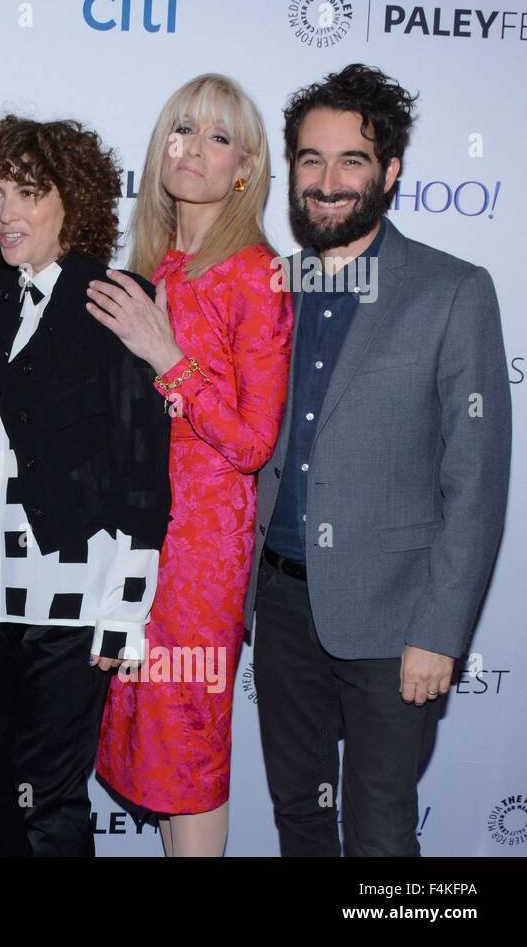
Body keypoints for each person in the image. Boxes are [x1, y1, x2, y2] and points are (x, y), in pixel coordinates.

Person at [246, 63, 510, 856]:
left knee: (381, 831)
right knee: (298, 815)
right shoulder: (269, 287)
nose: (327, 182)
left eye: (351, 161)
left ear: (390, 172)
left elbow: (477, 477)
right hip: (282, 606)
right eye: (310, 159)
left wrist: (440, 630)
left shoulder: (453, 290)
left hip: (396, 620)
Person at [88, 74, 293, 856]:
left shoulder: (255, 272)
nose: (193, 148)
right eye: (182, 129)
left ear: (246, 168)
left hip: (201, 552)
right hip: (138, 534)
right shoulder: (160, 267)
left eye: (217, 136)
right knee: (151, 746)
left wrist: (165, 355)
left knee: (190, 746)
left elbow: (251, 442)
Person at [0, 116, 171, 856]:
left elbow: (144, 474)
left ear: (70, 203)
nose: (6, 212)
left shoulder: (114, 299)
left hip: (70, 607)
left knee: (50, 801)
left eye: (28, 192)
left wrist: (123, 614)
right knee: (2, 787)